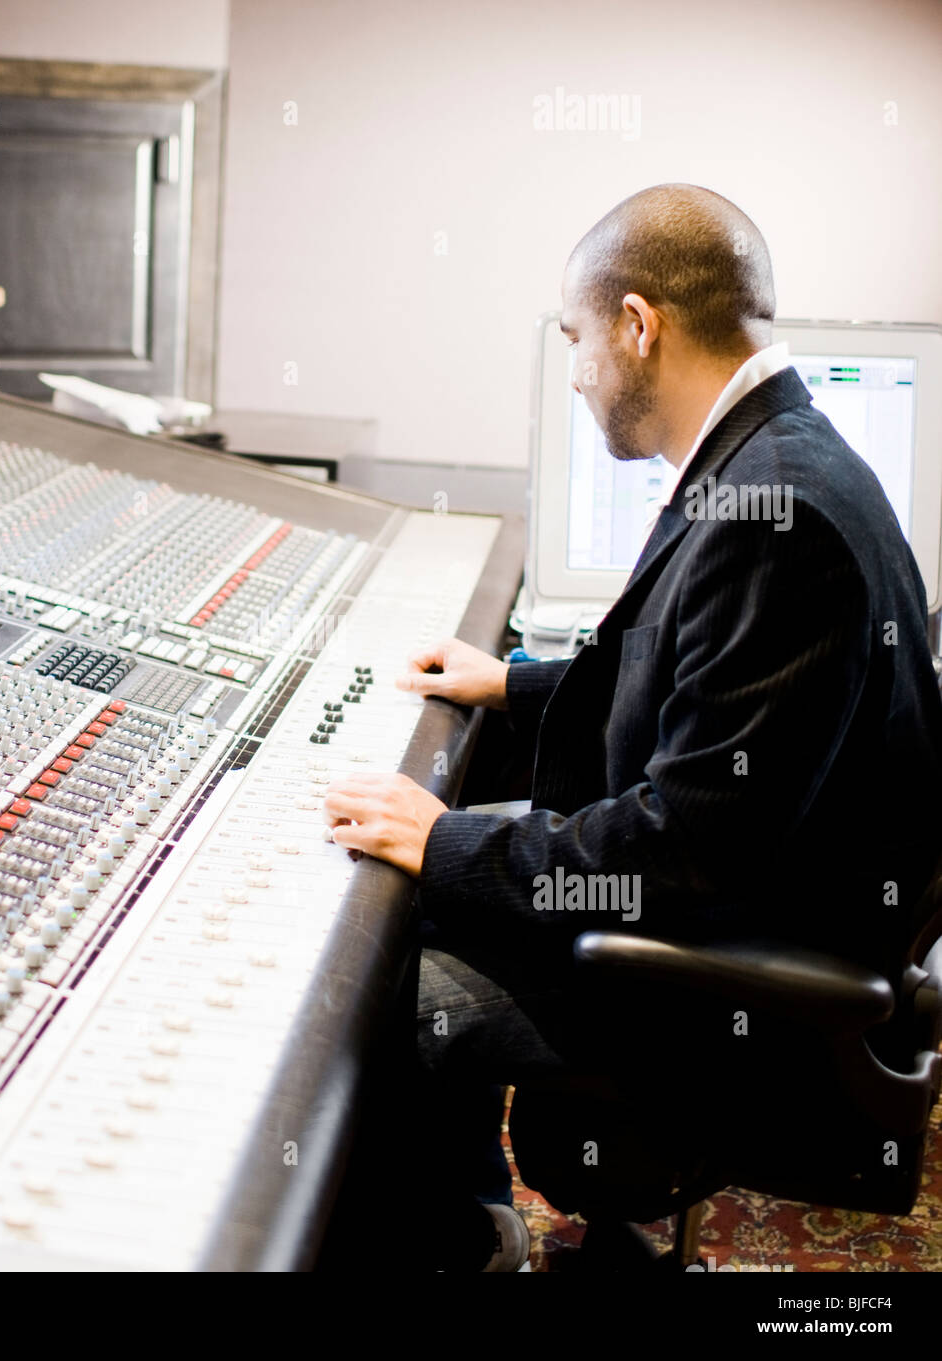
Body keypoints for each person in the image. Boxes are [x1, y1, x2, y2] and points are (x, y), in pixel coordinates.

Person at [323, 183, 942, 1271]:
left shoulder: (776, 505)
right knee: (434, 895)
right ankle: (477, 1221)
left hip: (732, 984)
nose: (574, 371)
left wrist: (445, 838)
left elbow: (685, 846)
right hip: (760, 913)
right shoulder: (776, 453)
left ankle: (457, 1239)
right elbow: (705, 671)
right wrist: (513, 684)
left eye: (576, 336)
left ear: (637, 324)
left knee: (372, 993)